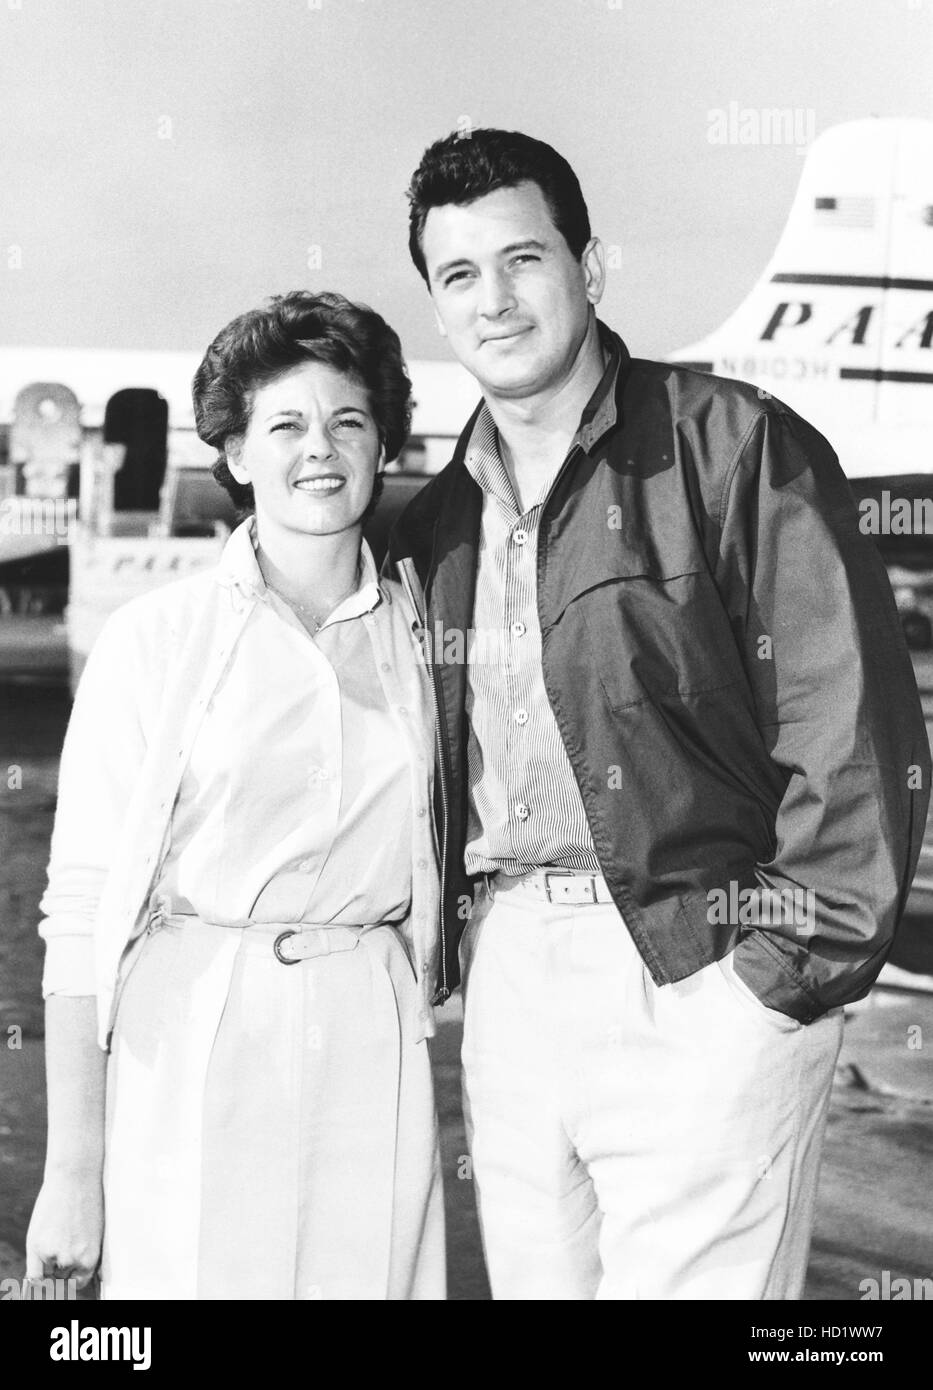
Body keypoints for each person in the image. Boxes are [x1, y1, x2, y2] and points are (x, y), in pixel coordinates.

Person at [387, 128, 931, 1300]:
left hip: (701, 966)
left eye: (525, 258)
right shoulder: (435, 527)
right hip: (512, 976)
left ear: (592, 263)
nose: (496, 300)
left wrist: (772, 989)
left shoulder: (737, 451)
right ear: (434, 304)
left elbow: (853, 740)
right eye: (460, 276)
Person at [26, 290, 446, 1301]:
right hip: (193, 1032)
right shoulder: (154, 640)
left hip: (369, 1034)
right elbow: (79, 912)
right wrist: (71, 1172)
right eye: (286, 424)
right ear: (237, 449)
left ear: (384, 443)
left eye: (349, 421)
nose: (321, 449)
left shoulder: (430, 641)